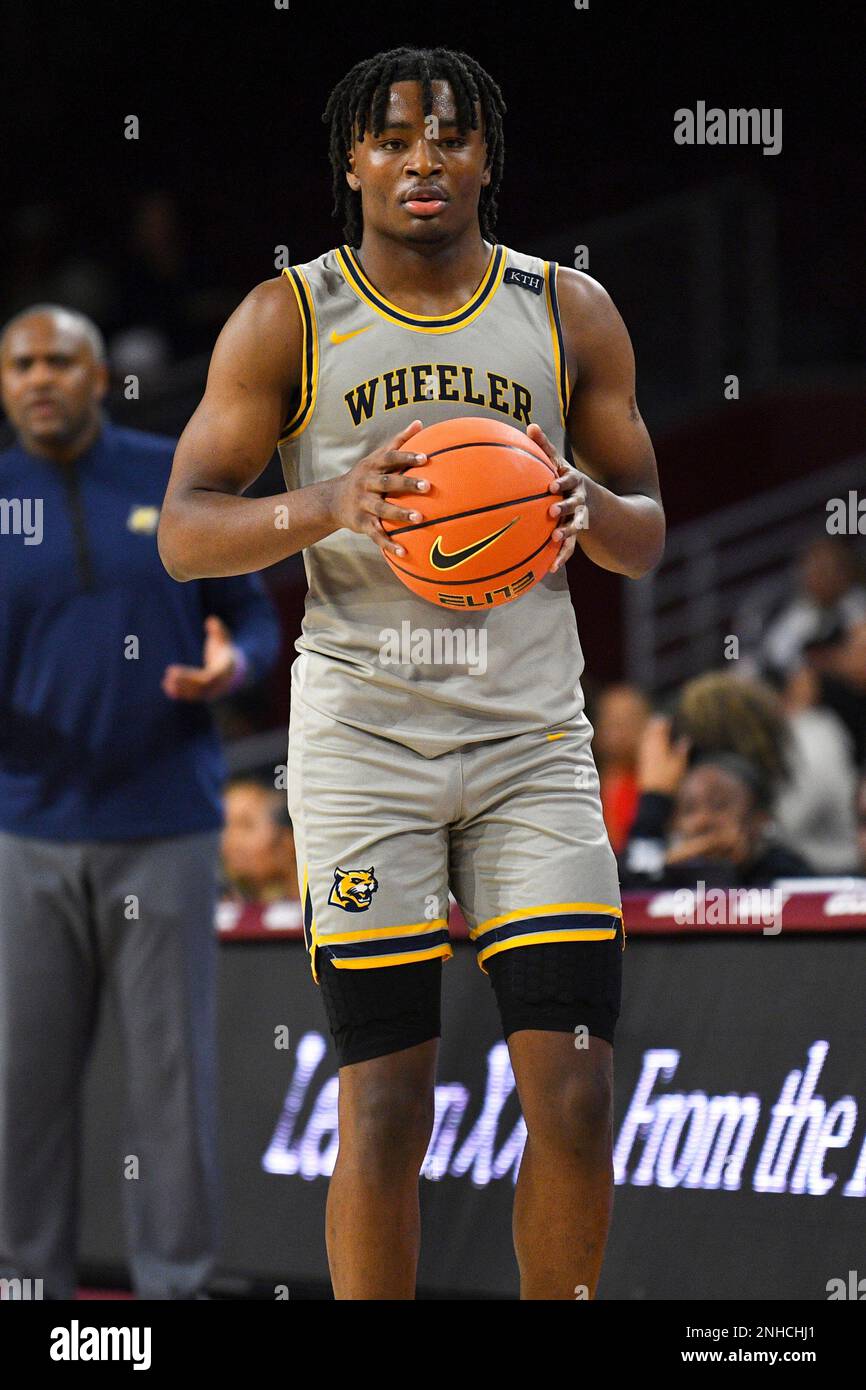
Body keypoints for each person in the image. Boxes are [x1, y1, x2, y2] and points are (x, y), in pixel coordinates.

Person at [158, 46, 665, 1300]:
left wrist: (582, 505)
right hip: (364, 738)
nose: (421, 161)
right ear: (351, 163)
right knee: (385, 1105)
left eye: (448, 136)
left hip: (528, 741)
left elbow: (646, 535)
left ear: (488, 156)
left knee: (578, 1090)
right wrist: (328, 500)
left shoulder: (566, 310)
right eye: (391, 139)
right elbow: (181, 530)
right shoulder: (289, 314)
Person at [0, 305, 281, 1300]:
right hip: (27, 830)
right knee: (21, 1089)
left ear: (95, 374)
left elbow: (253, 616)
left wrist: (232, 661)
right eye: (22, 363)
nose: (40, 377)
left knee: (171, 1082)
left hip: (165, 821)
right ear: (4, 382)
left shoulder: (170, 472)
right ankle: (26, 1285)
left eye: (60, 361)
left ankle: (176, 1283)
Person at [620, 721, 813, 888]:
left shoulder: (784, 872)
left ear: (760, 818)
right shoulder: (666, 875)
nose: (703, 820)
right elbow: (630, 892)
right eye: (689, 809)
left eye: (720, 805)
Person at [222, 777, 299, 902]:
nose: (231, 841)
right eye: (225, 827)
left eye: (246, 825)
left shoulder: (324, 909)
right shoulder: (224, 912)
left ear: (288, 839)